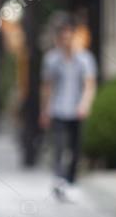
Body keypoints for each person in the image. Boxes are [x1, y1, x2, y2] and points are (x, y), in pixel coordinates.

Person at [40, 18, 96, 202]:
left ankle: (70, 182)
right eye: (62, 38)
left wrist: (85, 104)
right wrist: (45, 109)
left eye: (69, 37)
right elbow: (48, 86)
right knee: (59, 147)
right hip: (58, 109)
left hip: (76, 110)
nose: (66, 41)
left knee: (75, 148)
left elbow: (89, 84)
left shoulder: (84, 59)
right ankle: (59, 180)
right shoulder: (52, 59)